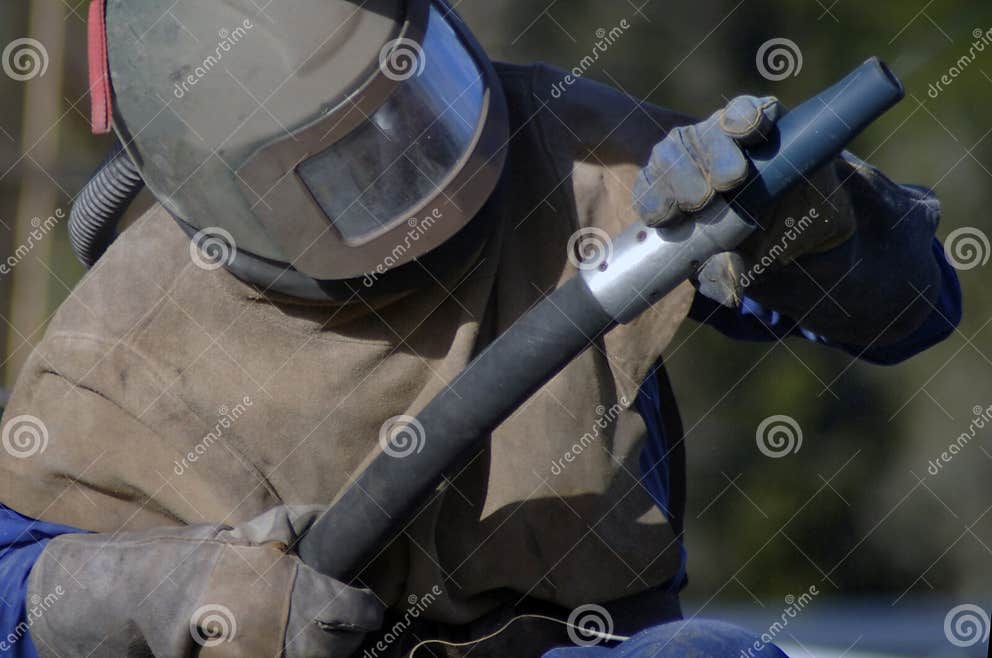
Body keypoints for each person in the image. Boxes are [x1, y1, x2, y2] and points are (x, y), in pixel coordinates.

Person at [0, 0, 960, 656]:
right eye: (353, 161)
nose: (416, 155)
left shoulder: (572, 144)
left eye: (425, 94)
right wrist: (159, 594)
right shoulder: (112, 359)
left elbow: (917, 310)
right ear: (229, 195)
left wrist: (813, 225)